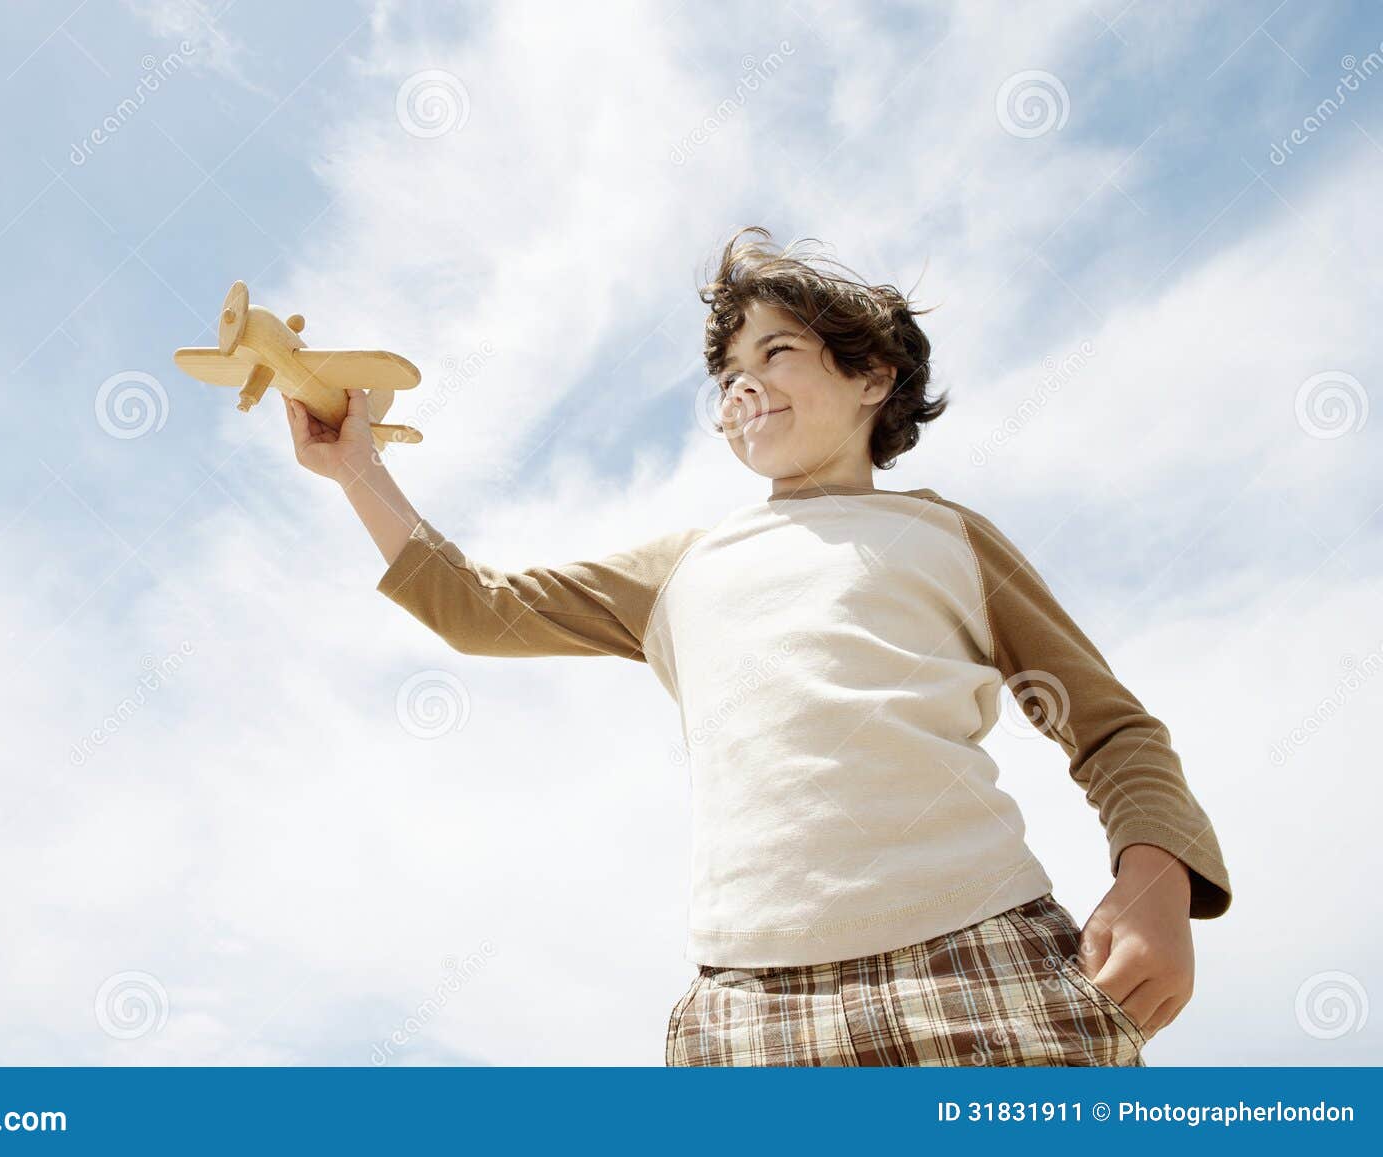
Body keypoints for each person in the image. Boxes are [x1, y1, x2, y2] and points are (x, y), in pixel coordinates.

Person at [283, 226, 1231, 1067]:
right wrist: (356, 466)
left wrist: (1156, 881)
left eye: (777, 350)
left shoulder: (948, 538)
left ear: (872, 378)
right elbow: (473, 607)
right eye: (729, 371)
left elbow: (1113, 733)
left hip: (980, 966)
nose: (743, 383)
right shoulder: (678, 571)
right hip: (749, 1012)